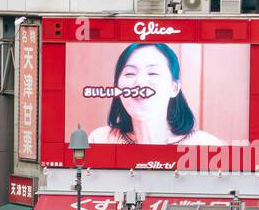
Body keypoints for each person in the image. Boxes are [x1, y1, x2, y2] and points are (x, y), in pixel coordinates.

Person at [87, 43, 222, 146]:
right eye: (130, 73)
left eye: (153, 73)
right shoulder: (100, 140)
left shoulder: (206, 145)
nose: (140, 82)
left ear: (174, 88)